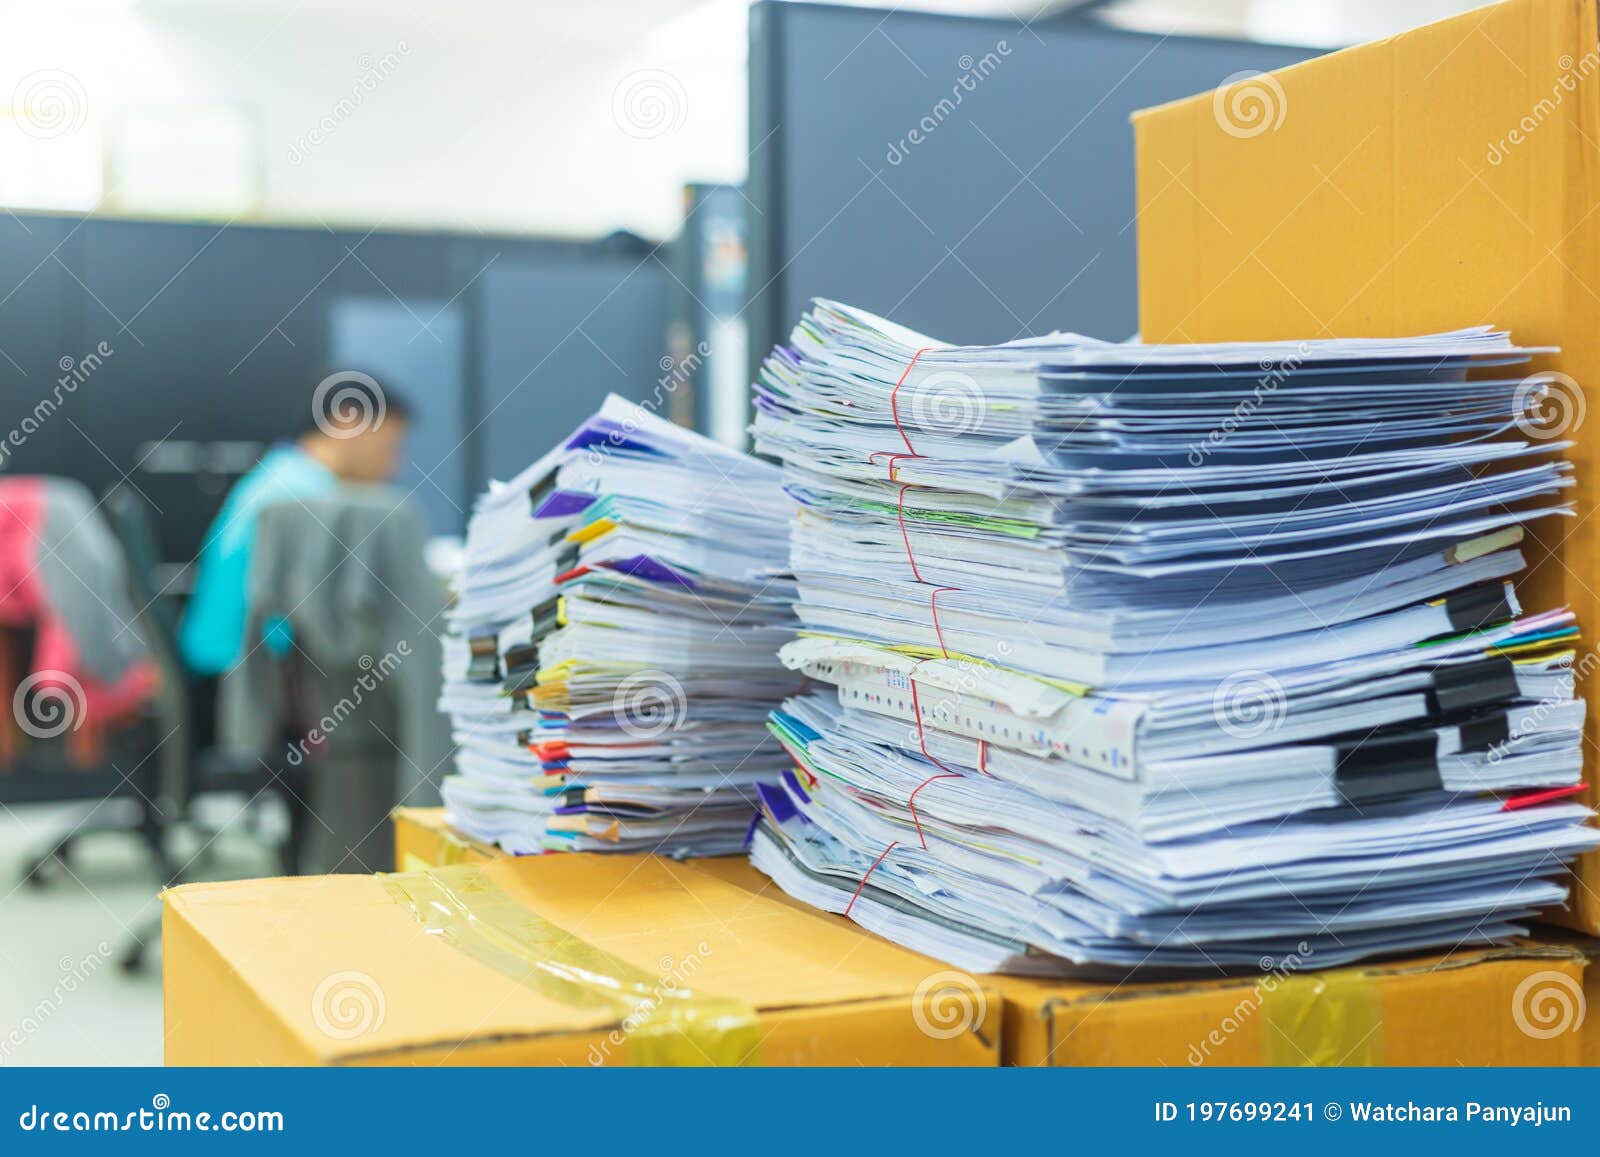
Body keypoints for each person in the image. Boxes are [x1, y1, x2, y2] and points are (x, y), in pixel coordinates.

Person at [179, 371, 412, 675]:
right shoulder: (309, 498)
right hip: (245, 675)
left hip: (230, 662)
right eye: (389, 446)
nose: (393, 466)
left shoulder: (285, 474)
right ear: (348, 420)